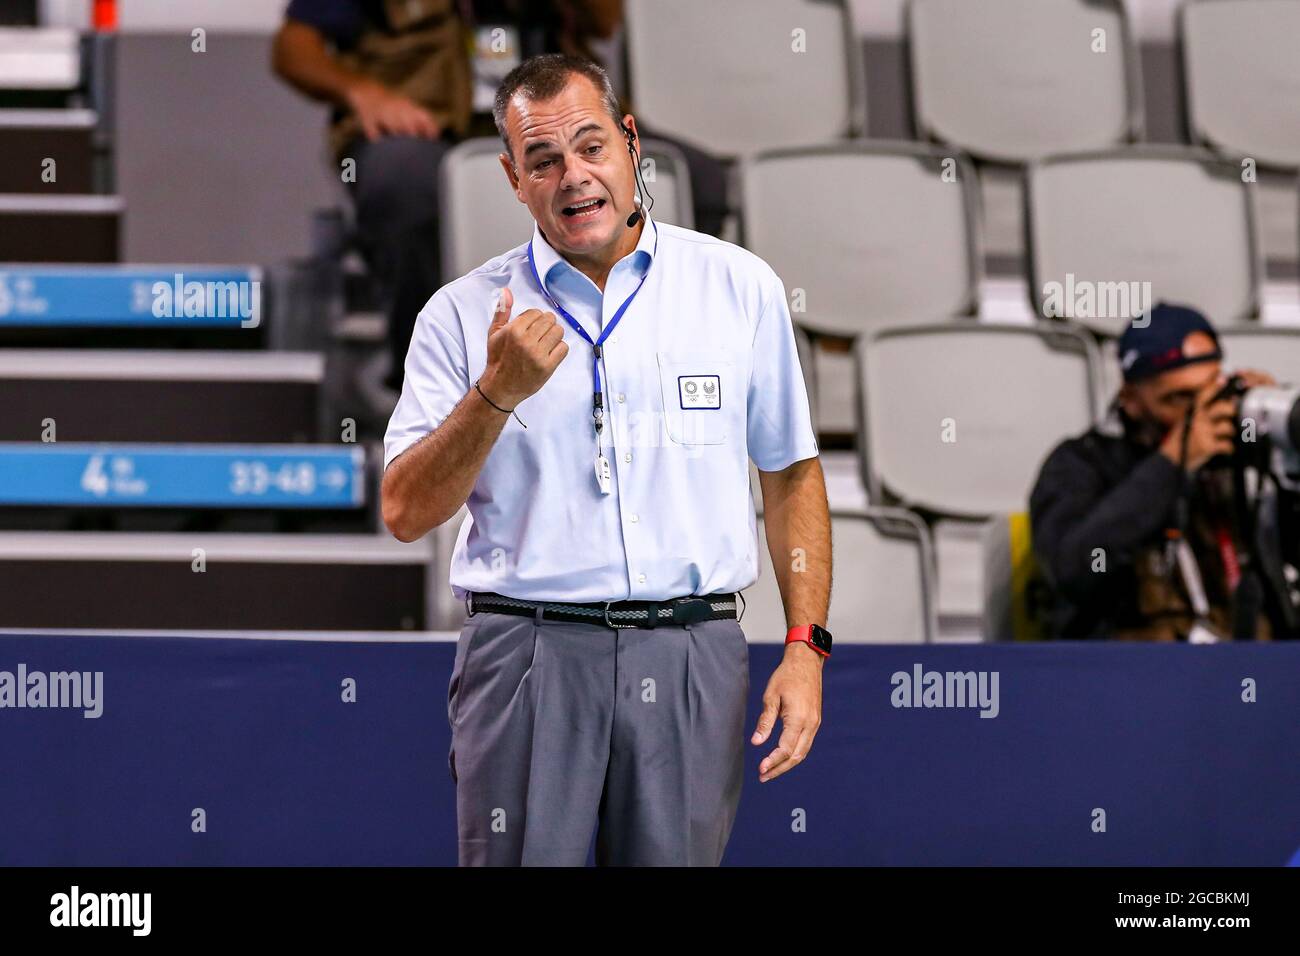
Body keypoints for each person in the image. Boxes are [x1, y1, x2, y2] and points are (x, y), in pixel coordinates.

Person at [380, 54, 833, 865]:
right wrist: (495, 393)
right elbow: (406, 512)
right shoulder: (460, 316)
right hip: (526, 651)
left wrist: (806, 645)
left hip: (692, 650)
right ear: (513, 178)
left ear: (631, 145)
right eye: (544, 160)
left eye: (591, 147)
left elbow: (792, 475)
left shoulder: (739, 287)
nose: (573, 176)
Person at [1030, 303, 1278, 641]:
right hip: (1135, 671)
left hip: (1249, 663)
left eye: (1210, 392)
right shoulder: (1080, 463)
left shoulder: (1237, 454)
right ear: (1130, 398)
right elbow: (1073, 569)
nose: (1200, 412)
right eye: (1179, 398)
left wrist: (1276, 447)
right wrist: (1171, 463)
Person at [272, 0, 474, 391]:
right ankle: (426, 389)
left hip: (545, 116)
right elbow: (292, 49)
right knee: (404, 181)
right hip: (419, 127)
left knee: (612, 167)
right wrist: (360, 90)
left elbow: (603, 23)